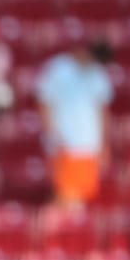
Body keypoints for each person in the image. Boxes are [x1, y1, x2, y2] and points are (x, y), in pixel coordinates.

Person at [37, 40, 113, 209]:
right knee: (67, 195)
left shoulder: (98, 73)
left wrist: (103, 143)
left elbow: (101, 110)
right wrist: (52, 133)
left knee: (77, 197)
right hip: (64, 141)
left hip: (88, 144)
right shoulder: (57, 68)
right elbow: (44, 102)